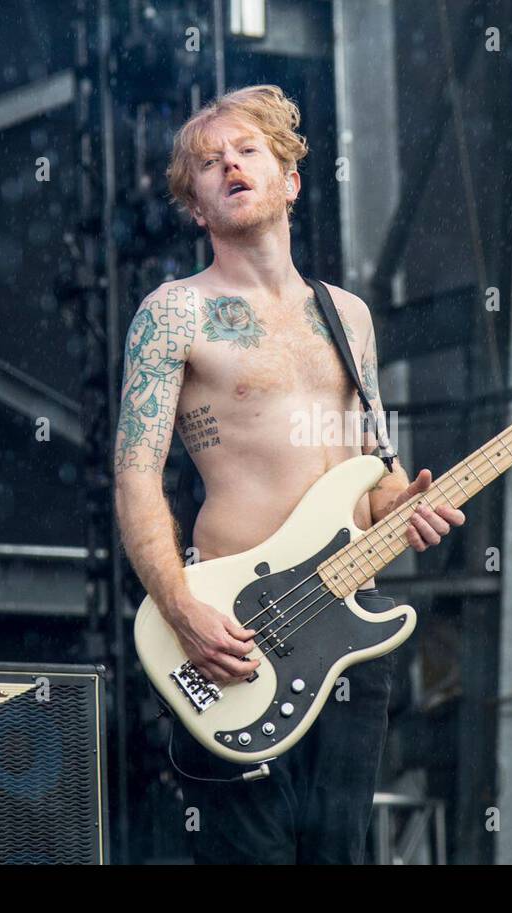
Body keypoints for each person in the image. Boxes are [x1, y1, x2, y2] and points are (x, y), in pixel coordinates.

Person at [113, 85, 465, 863]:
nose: (230, 165)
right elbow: (136, 477)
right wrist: (179, 607)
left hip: (347, 634)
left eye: (247, 151)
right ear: (197, 206)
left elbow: (371, 470)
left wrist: (405, 502)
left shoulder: (350, 315)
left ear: (291, 180)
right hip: (233, 633)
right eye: (209, 163)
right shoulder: (175, 312)